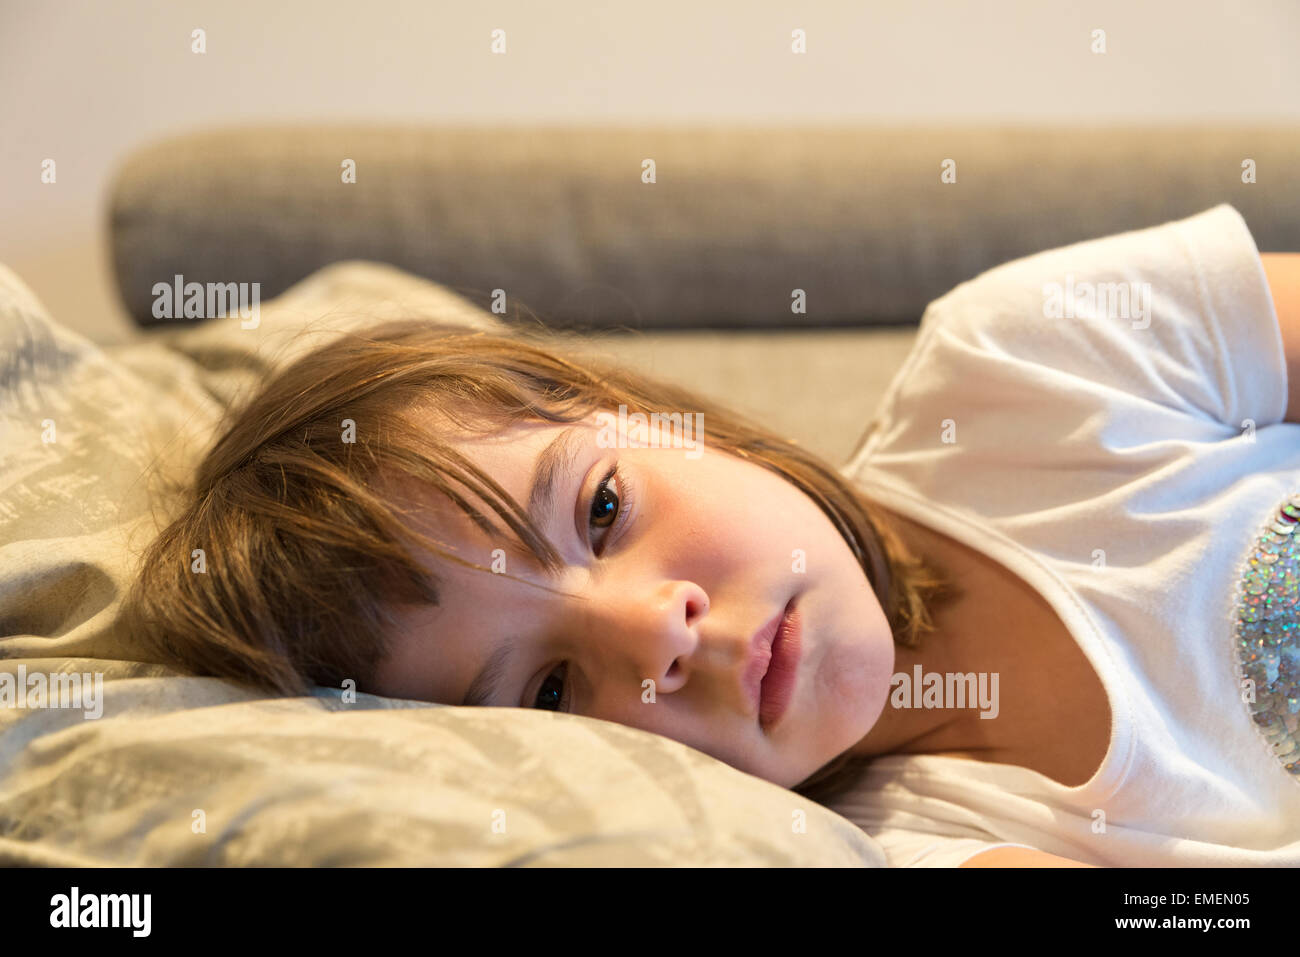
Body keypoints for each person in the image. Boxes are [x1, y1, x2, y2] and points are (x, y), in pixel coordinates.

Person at [121, 204, 1300, 867]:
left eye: (599, 511)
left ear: (638, 411)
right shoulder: (912, 851)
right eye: (548, 692)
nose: (655, 629)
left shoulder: (1020, 365)